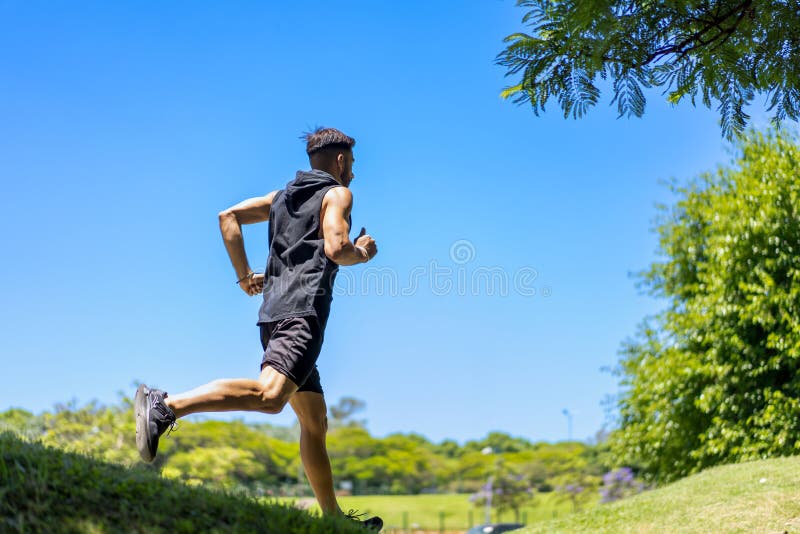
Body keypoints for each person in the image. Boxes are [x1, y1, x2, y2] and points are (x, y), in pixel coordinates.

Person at [134, 127, 382, 530]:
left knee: (314, 421)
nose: (353, 173)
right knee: (270, 397)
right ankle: (166, 405)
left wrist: (244, 275)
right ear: (340, 161)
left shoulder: (280, 197)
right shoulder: (337, 194)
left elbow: (227, 216)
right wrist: (364, 252)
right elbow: (338, 249)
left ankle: (333, 519)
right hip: (303, 315)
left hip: (273, 314)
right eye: (351, 165)